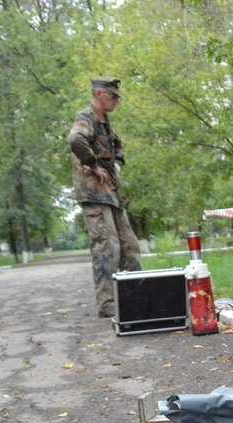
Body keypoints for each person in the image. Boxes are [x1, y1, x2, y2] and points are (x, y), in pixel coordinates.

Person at [68, 76, 141, 317]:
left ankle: (134, 296)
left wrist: (116, 166)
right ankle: (108, 303)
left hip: (112, 193)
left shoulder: (105, 123)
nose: (116, 100)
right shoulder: (85, 118)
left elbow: (118, 147)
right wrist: (92, 163)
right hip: (94, 193)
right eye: (112, 96)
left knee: (129, 246)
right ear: (98, 93)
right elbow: (75, 140)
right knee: (106, 247)